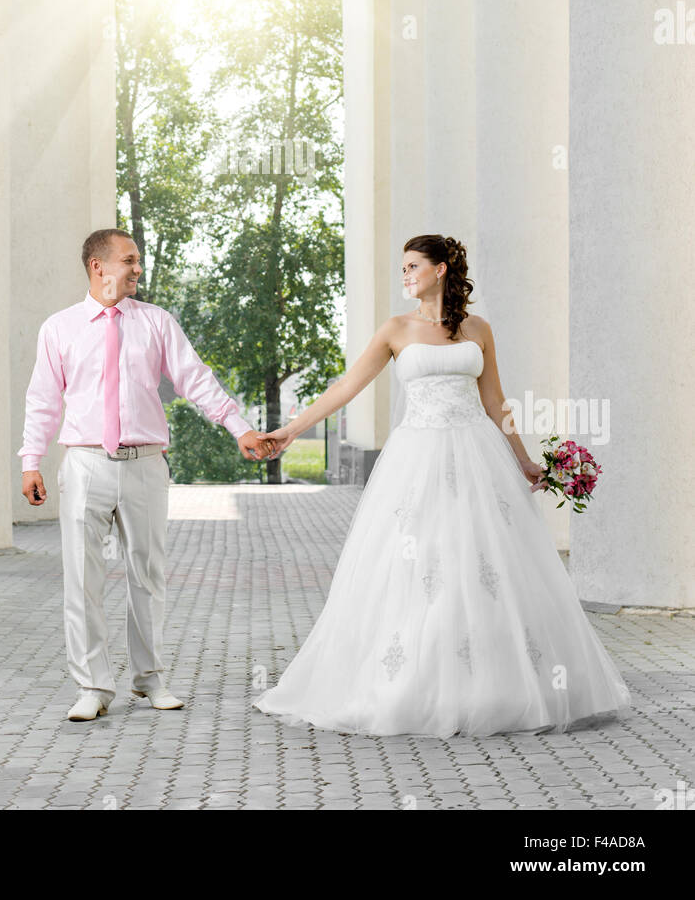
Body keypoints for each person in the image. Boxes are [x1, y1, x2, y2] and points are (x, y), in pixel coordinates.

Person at [253, 234, 632, 738]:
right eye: (402, 267)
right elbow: (347, 386)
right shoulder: (396, 329)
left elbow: (496, 401)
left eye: (413, 266)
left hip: (479, 455)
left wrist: (522, 459)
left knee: (485, 563)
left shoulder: (478, 329)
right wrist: (289, 430)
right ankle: (412, 683)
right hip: (417, 459)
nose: (405, 275)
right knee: (420, 565)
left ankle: (497, 686)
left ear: (442, 269)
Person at [18, 227, 275, 721]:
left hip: (145, 466)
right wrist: (32, 460)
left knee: (148, 576)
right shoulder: (59, 328)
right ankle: (92, 686)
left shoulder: (156, 323)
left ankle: (150, 678)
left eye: (138, 260)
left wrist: (238, 427)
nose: (138, 268)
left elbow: (195, 379)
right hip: (86, 463)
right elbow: (43, 400)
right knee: (82, 578)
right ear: (99, 266)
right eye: (129, 259)